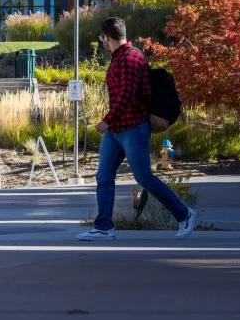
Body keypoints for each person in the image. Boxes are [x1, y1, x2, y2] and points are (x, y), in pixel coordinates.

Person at [77, 17, 195, 241]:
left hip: (133, 127)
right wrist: (112, 124)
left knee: (144, 177)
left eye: (103, 38)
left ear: (107, 37)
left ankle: (184, 214)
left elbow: (127, 95)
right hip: (116, 131)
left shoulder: (131, 58)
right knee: (104, 176)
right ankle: (103, 227)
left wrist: (107, 120)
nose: (103, 42)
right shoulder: (119, 57)